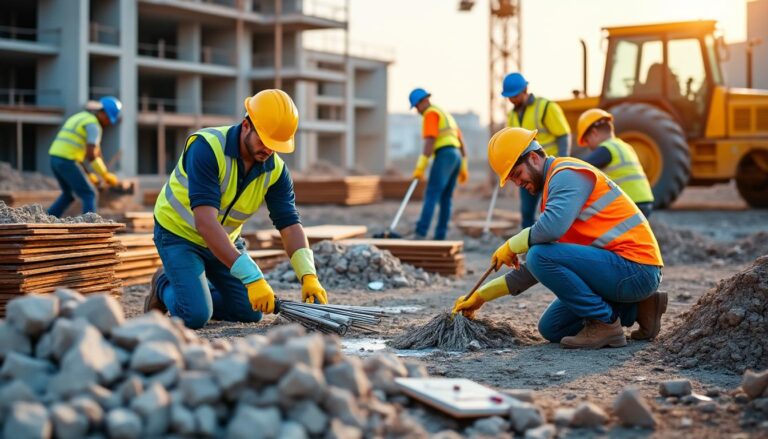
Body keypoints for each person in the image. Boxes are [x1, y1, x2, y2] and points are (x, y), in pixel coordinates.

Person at [452, 127, 667, 349]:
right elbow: (533, 269)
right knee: (552, 328)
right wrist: (481, 296)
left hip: (637, 269)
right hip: (619, 270)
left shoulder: (567, 174)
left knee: (538, 255)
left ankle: (605, 325)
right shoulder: (553, 193)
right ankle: (641, 307)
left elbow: (548, 235)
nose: (518, 184)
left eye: (517, 174)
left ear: (534, 158)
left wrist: (512, 244)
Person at [144, 89, 328, 329]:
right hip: (179, 235)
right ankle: (164, 283)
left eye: (275, 145)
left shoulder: (275, 171)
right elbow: (205, 223)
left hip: (224, 239)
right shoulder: (207, 148)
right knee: (195, 315)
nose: (268, 150)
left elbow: (290, 224)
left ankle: (195, 288)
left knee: (250, 311)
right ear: (245, 126)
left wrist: (308, 275)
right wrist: (252, 277)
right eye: (264, 141)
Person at [502, 72, 571, 228]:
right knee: (526, 211)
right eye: (509, 97)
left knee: (550, 209)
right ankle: (527, 245)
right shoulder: (512, 115)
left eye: (515, 95)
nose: (512, 100)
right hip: (526, 170)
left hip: (548, 168)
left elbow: (563, 135)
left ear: (525, 90)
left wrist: (563, 164)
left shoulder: (545, 107)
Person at [408, 88, 469, 240]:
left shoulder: (430, 113)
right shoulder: (445, 114)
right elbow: (460, 140)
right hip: (455, 156)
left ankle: (421, 232)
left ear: (423, 102)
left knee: (432, 193)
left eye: (416, 106)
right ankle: (440, 235)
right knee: (446, 198)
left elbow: (430, 140)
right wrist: (463, 164)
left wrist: (420, 166)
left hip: (444, 155)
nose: (417, 111)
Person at [47, 97, 122, 217]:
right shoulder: (93, 126)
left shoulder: (80, 117)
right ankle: (90, 227)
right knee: (89, 194)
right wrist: (105, 174)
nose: (108, 122)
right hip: (67, 161)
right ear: (102, 113)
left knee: (68, 194)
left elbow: (76, 152)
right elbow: (91, 155)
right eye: (108, 118)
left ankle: (46, 219)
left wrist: (88, 174)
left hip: (54, 159)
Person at [576, 108, 655, 217]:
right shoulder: (625, 146)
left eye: (587, 141)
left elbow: (581, 167)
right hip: (645, 199)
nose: (588, 146)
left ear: (594, 133)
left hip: (631, 202)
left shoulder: (606, 149)